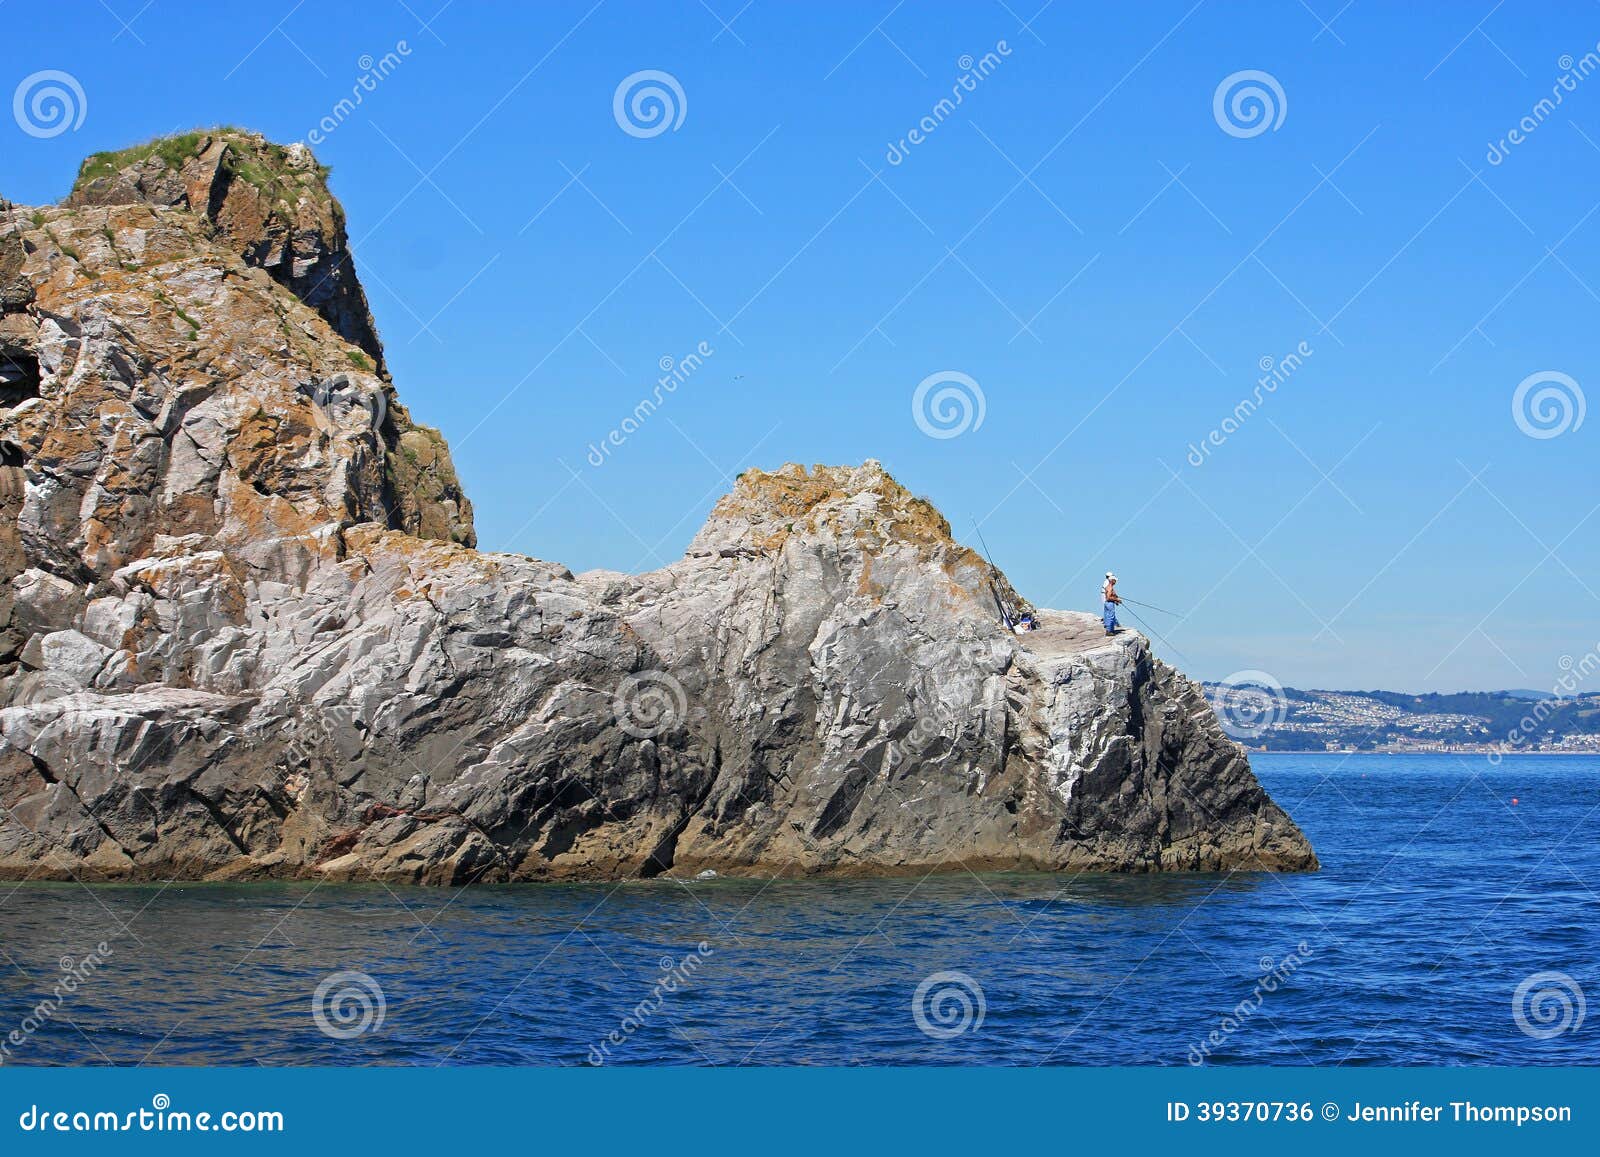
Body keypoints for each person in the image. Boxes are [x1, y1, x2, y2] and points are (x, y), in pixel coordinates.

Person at [1101, 572, 1122, 636]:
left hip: (1107, 603)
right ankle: (1109, 631)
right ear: (1111, 580)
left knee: (1108, 616)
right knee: (1111, 616)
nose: (1115, 581)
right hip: (1109, 603)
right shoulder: (1110, 587)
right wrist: (1116, 600)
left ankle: (1109, 630)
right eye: (1114, 580)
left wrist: (1116, 600)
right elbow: (1108, 597)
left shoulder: (1108, 586)